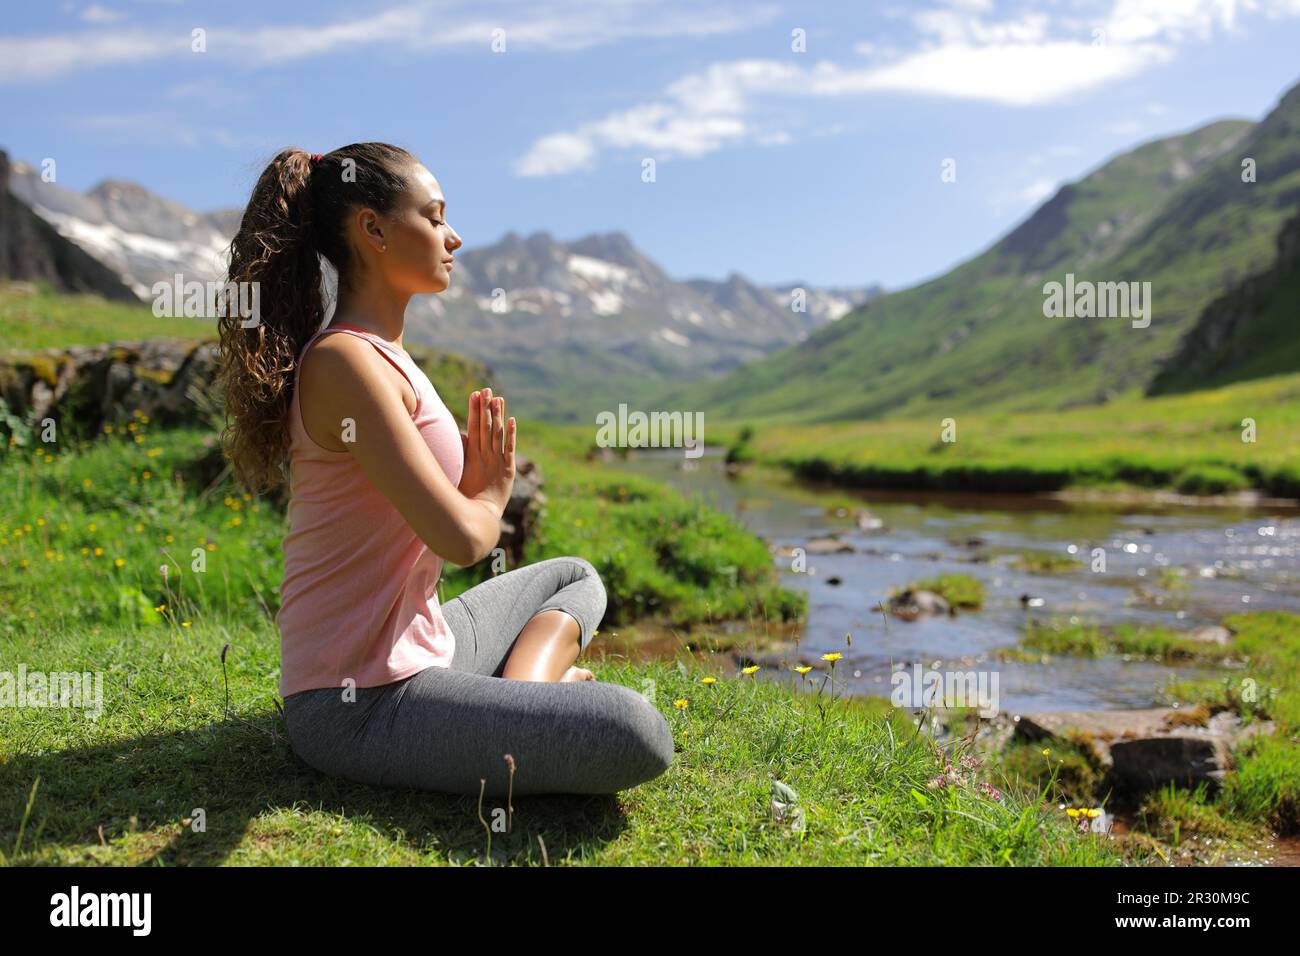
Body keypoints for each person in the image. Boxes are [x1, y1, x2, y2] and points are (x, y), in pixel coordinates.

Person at [215, 142, 673, 797]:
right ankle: (527, 706)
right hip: (358, 703)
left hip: (424, 645)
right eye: (433, 218)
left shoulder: (387, 356)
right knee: (635, 730)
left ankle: (523, 696)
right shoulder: (346, 365)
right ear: (372, 230)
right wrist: (489, 492)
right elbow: (461, 540)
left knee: (574, 577)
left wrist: (472, 493)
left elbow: (424, 519)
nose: (452, 237)